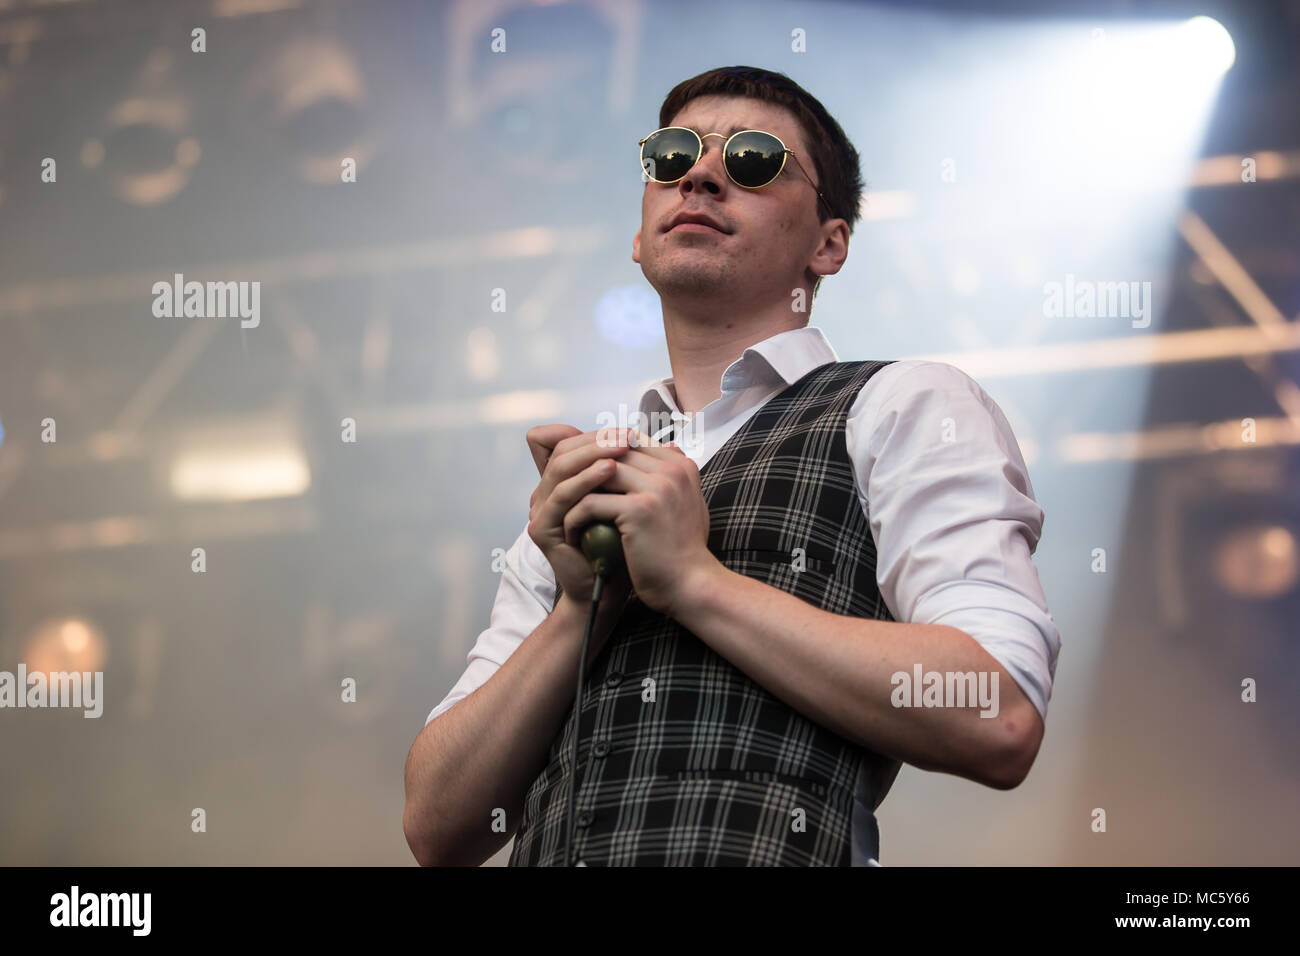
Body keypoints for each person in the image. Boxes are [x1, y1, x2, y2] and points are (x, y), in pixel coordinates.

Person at [403, 65, 1060, 866]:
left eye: (753, 160)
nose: (701, 173)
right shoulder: (589, 489)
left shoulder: (901, 403)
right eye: (672, 156)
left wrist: (693, 582)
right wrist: (582, 610)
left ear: (830, 242)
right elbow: (437, 826)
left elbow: (998, 711)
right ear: (639, 235)